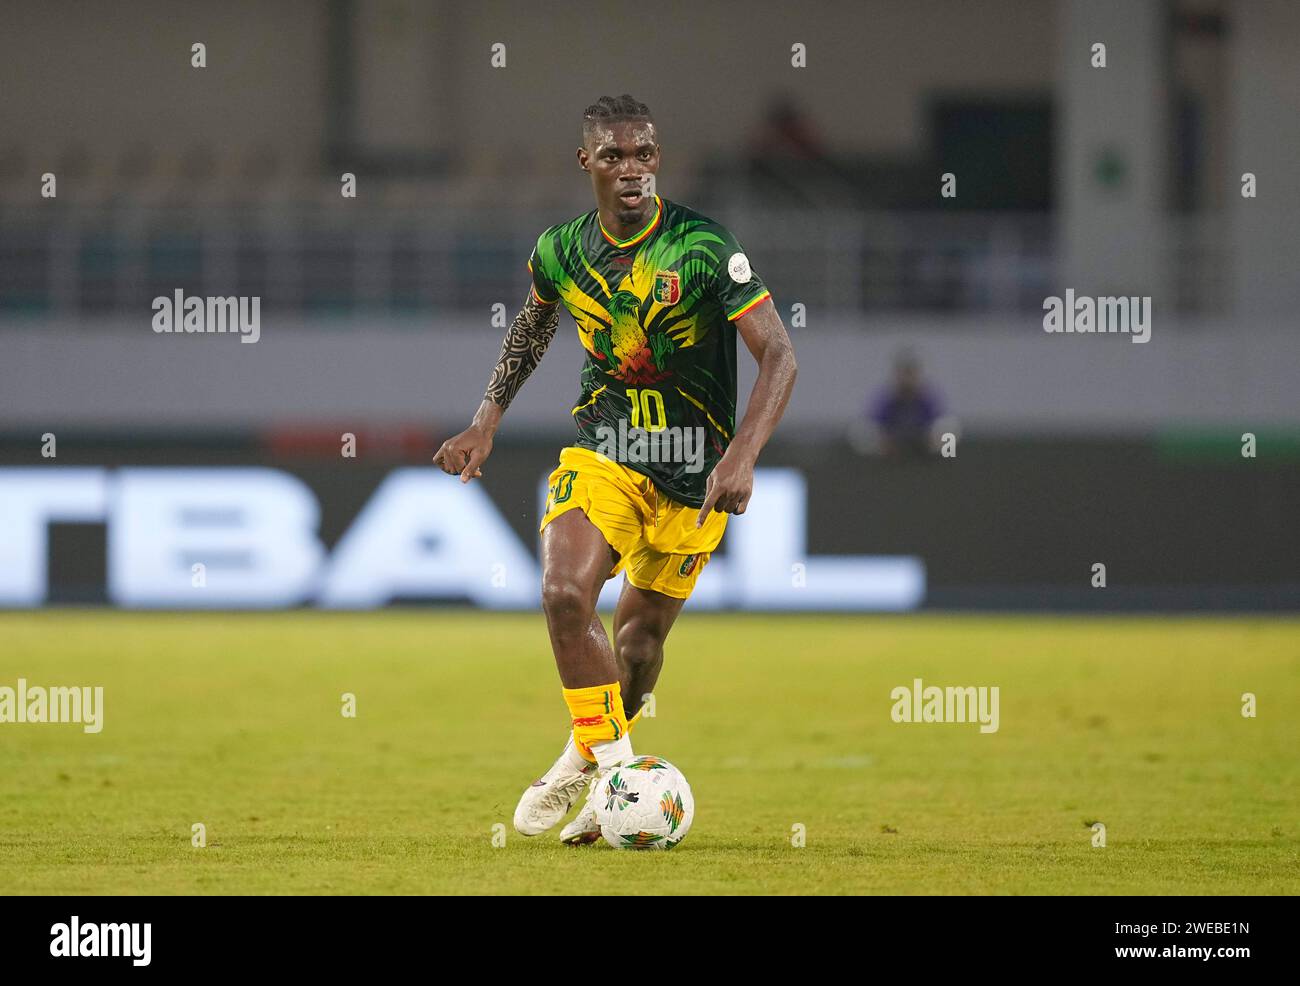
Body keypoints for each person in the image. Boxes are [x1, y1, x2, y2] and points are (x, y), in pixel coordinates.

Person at [433, 94, 797, 844]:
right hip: (606, 452)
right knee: (565, 593)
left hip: (694, 475)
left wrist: (741, 454)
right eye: (614, 157)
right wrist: (485, 420)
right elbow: (533, 327)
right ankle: (623, 780)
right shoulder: (560, 251)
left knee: (636, 651)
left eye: (644, 155)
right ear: (586, 163)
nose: (631, 170)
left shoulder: (702, 246)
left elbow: (780, 355)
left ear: (656, 159)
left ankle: (580, 762)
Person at [869, 352, 943, 458]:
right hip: (893, 447)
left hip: (922, 446)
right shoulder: (887, 400)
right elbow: (877, 427)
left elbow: (937, 425)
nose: (907, 379)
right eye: (903, 373)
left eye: (911, 373)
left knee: (948, 434)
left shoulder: (927, 399)